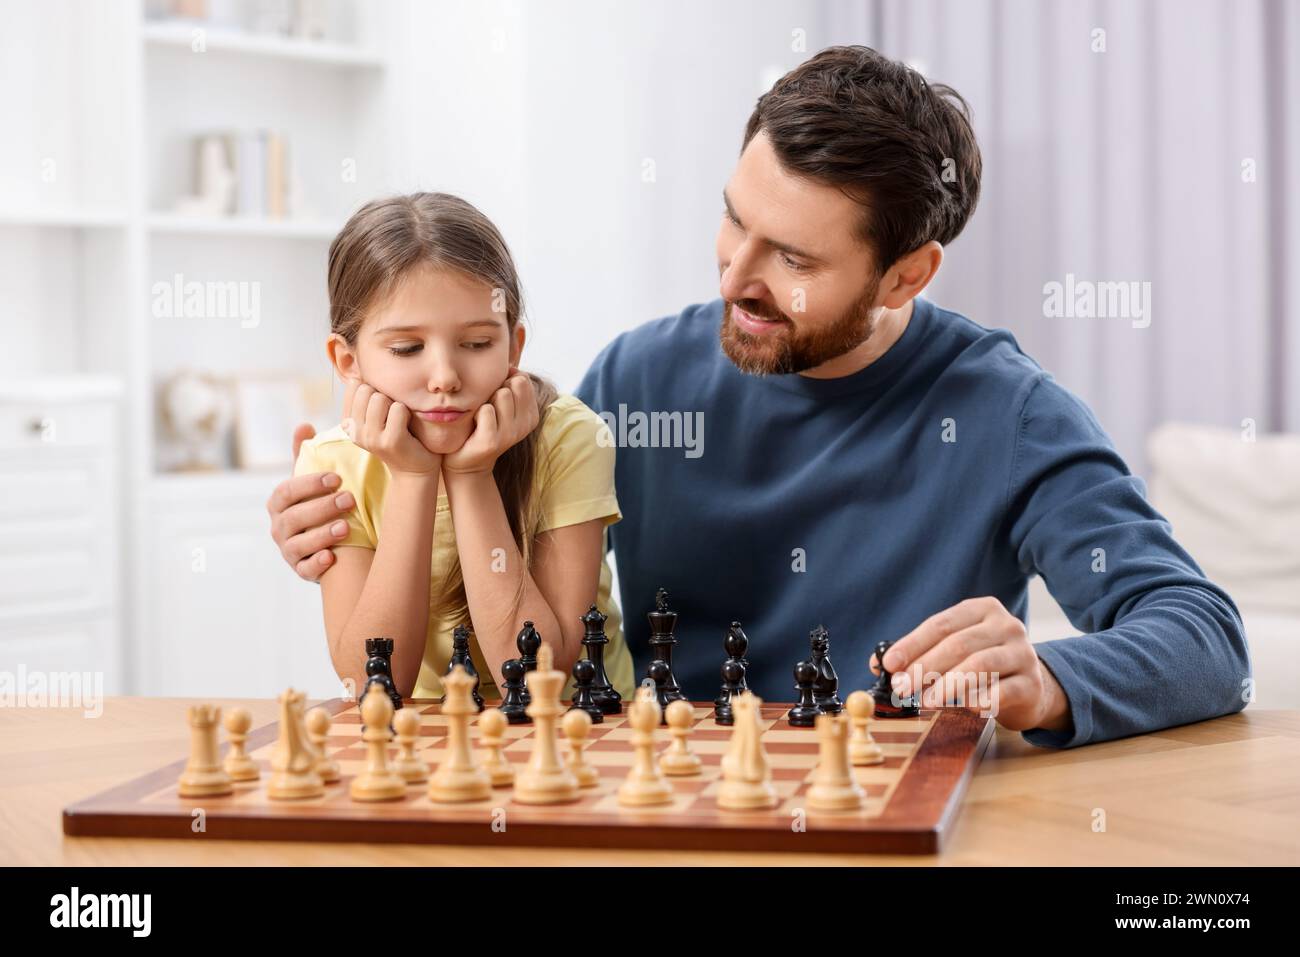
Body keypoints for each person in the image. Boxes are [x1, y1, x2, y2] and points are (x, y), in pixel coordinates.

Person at [270, 47, 1250, 748]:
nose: (734, 277)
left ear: (906, 276)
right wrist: (336, 501)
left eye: (792, 258)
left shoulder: (1006, 413)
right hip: (663, 808)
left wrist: (1049, 679)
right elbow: (492, 537)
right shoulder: (636, 379)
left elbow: (1204, 638)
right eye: (733, 221)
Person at [288, 192, 634, 701]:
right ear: (347, 361)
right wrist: (412, 478)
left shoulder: (570, 437)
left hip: (575, 734)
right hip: (429, 740)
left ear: (514, 347)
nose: (446, 377)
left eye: (476, 344)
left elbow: (541, 678)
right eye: (407, 349)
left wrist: (472, 477)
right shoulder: (333, 461)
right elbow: (372, 683)